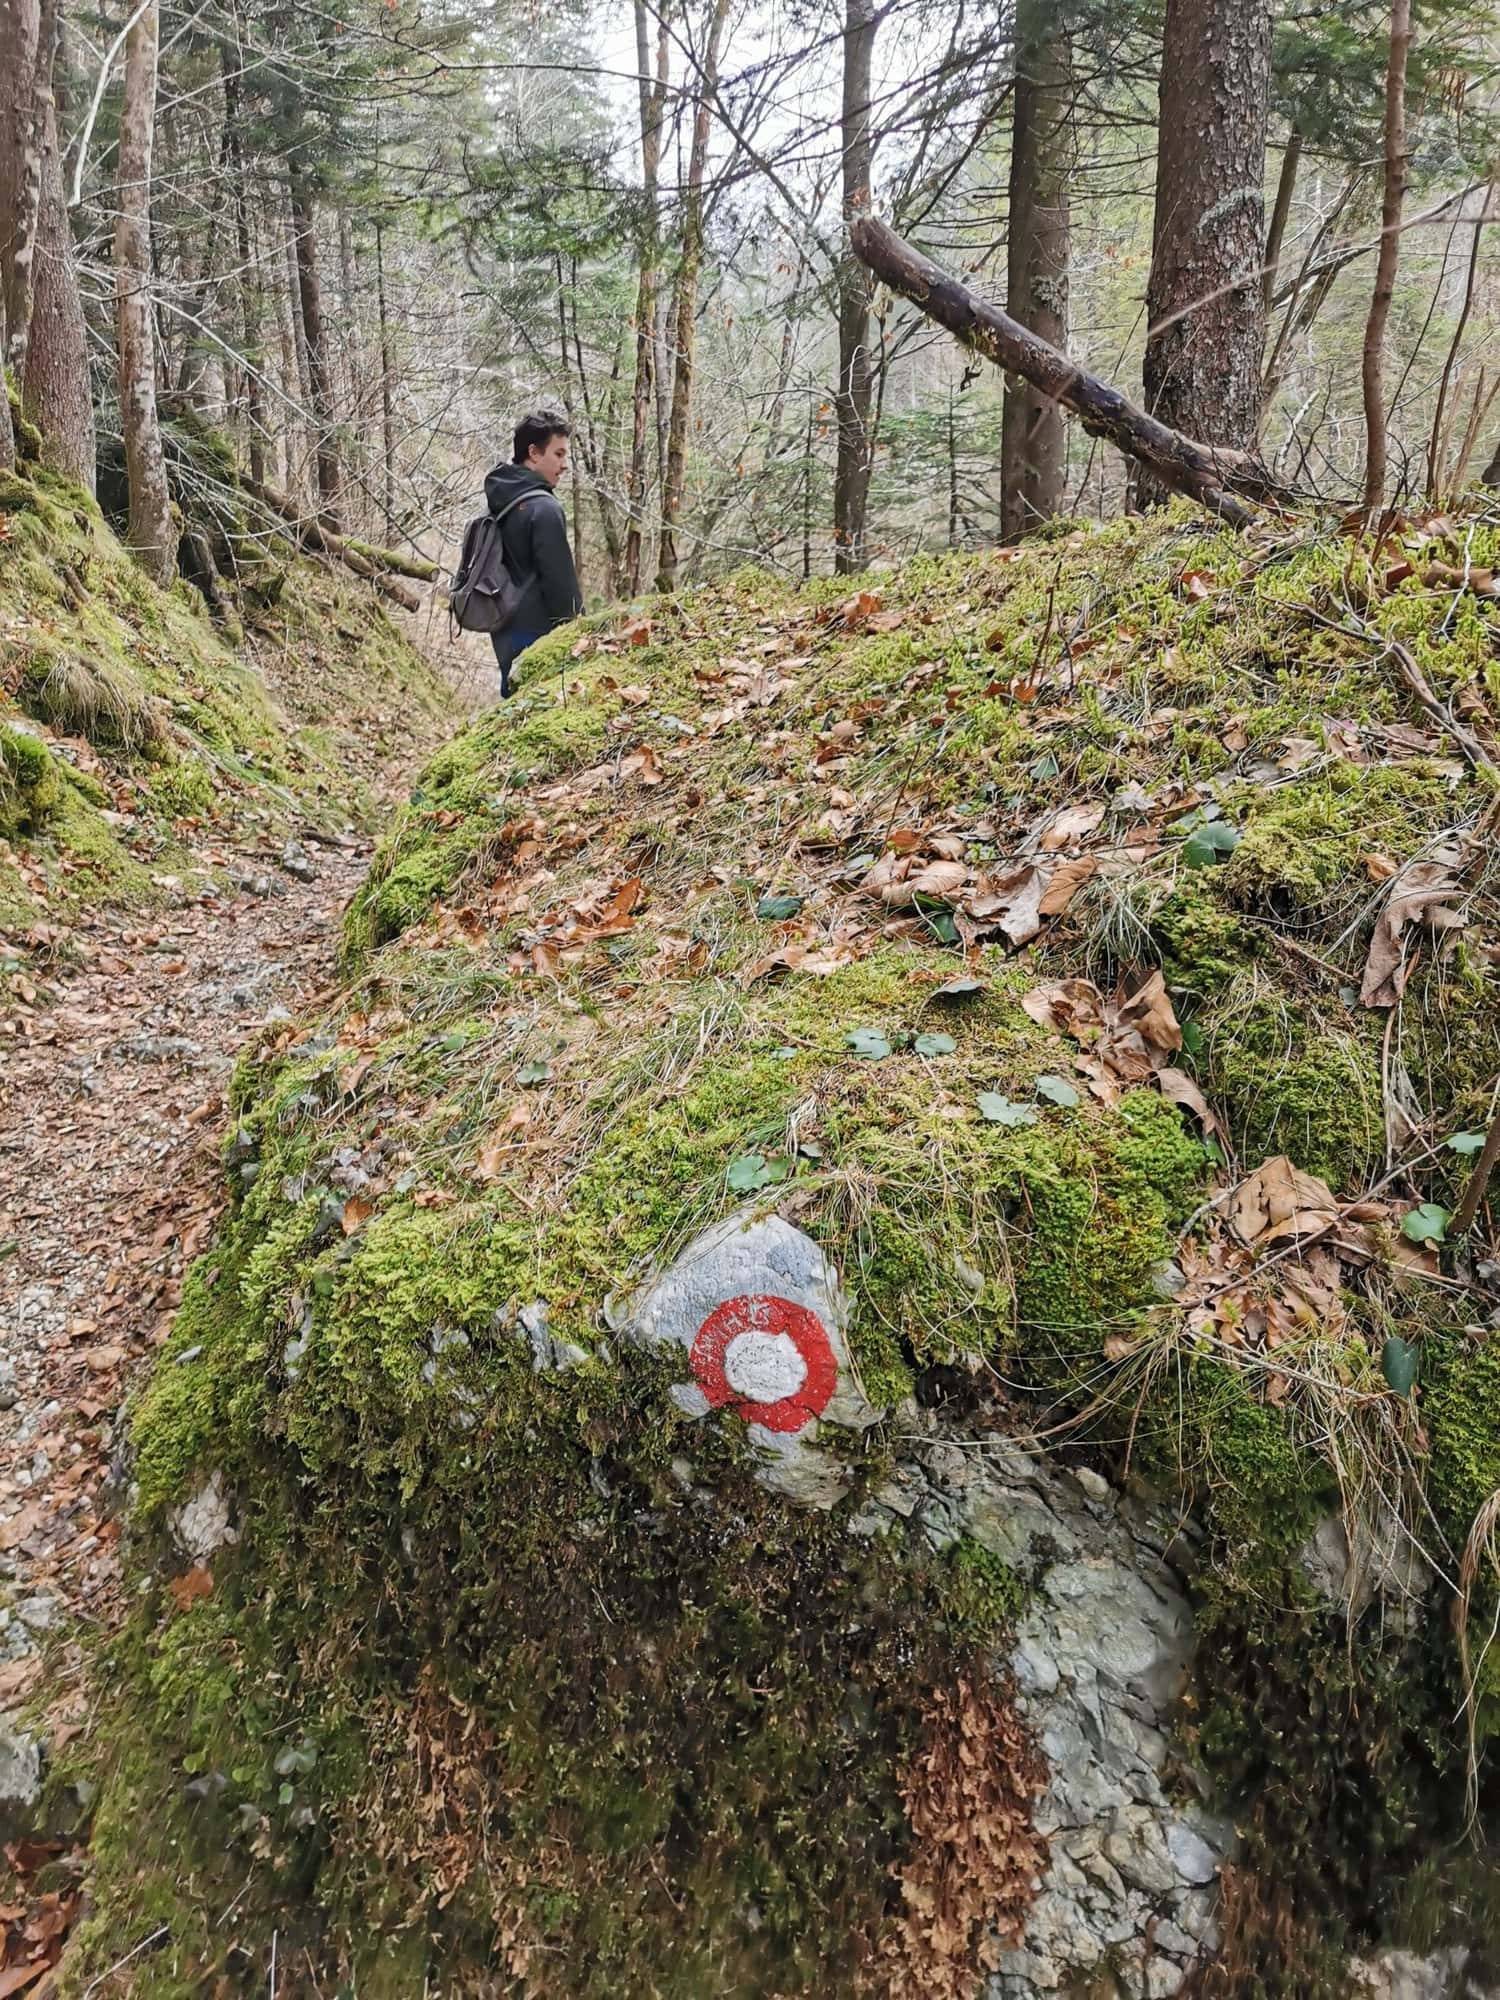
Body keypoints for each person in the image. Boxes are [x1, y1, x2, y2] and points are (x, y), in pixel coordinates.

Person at [482, 410, 585, 698]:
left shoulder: (501, 497)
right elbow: (562, 587)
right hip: (540, 636)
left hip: (504, 628)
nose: (564, 465)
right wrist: (582, 634)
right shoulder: (544, 509)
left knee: (516, 705)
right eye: (558, 454)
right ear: (534, 453)